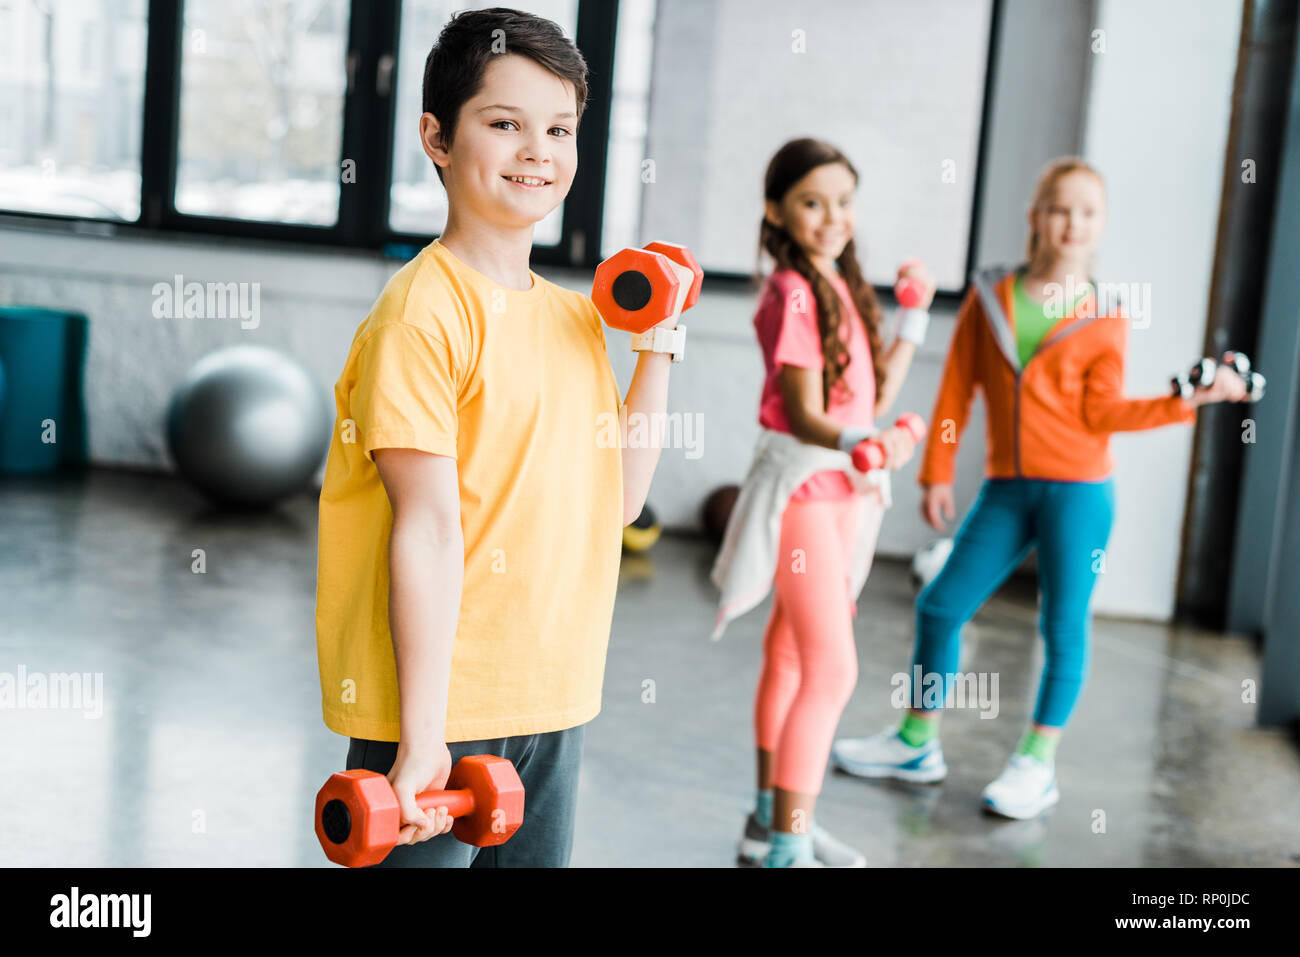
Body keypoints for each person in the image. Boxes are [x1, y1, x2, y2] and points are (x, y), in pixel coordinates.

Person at [314, 7, 684, 866]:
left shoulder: (574, 319)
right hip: (441, 712)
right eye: (505, 124)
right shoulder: (421, 315)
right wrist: (421, 738)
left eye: (559, 129)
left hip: (552, 697)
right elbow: (429, 528)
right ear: (437, 138)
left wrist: (658, 344)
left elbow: (619, 501)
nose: (537, 152)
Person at [831, 157, 1250, 819]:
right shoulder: (990, 296)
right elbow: (957, 391)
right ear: (1035, 216)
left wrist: (1186, 401)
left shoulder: (1107, 315)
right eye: (1060, 208)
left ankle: (1037, 760)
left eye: (1087, 212)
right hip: (1007, 488)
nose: (1073, 223)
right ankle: (916, 741)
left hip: (1079, 493)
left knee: (1062, 626)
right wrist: (937, 469)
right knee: (940, 607)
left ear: (1101, 225)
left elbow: (1104, 413)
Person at [711, 138, 934, 867]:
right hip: (805, 489)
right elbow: (808, 414)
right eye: (812, 201)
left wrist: (914, 319)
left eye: (844, 200)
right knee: (830, 669)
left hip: (840, 487)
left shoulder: (835, 280)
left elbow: (874, 395)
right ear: (777, 210)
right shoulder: (793, 290)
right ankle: (788, 845)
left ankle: (772, 820)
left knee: (788, 656)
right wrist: (869, 439)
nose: (833, 216)